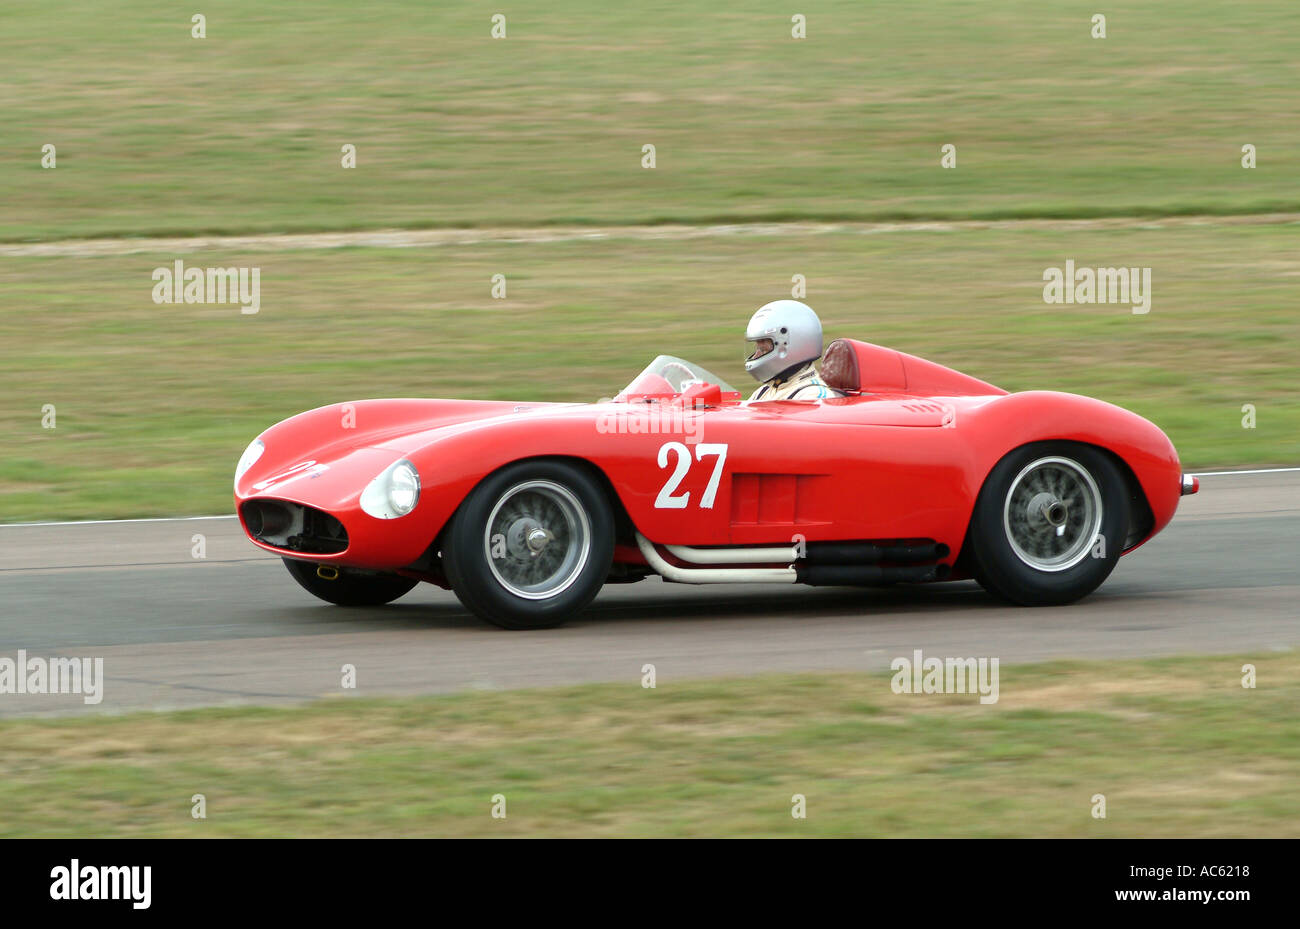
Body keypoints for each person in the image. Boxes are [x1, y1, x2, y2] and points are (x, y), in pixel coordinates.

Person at [743, 300, 842, 401]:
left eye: (763, 350)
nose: (756, 356)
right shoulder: (763, 392)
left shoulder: (814, 397)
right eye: (758, 349)